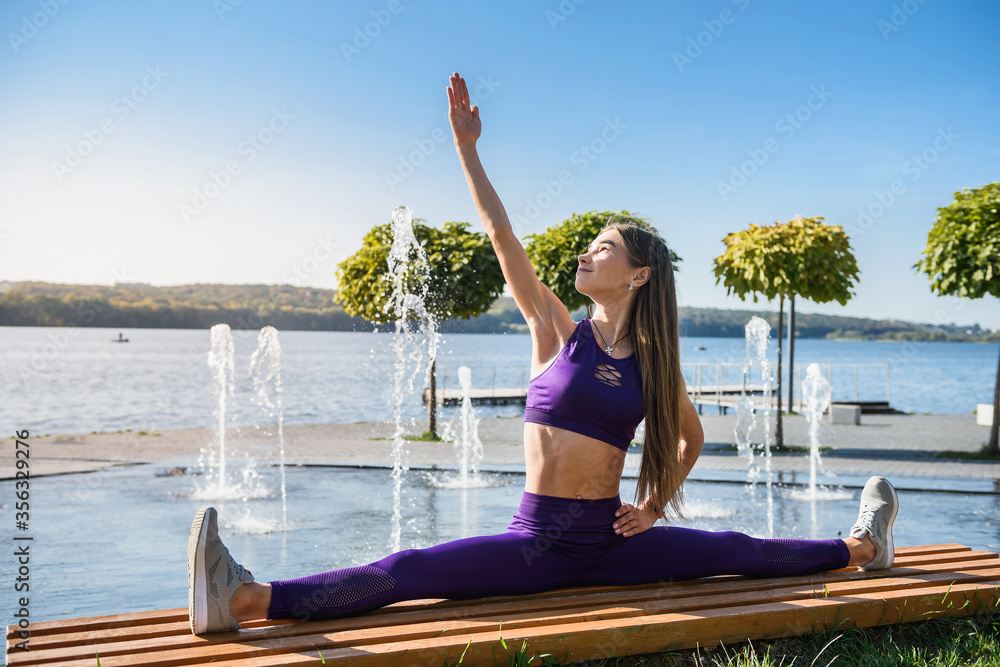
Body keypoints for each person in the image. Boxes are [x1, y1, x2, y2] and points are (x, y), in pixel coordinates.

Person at [186, 72, 899, 635]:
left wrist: (650, 508)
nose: (588, 252)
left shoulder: (653, 361)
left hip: (612, 540)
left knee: (740, 552)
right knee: (407, 567)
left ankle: (864, 545)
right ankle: (246, 598)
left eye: (605, 248)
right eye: (591, 245)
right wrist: (467, 149)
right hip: (534, 541)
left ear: (639, 274)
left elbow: (691, 437)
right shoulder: (557, 330)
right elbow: (502, 236)